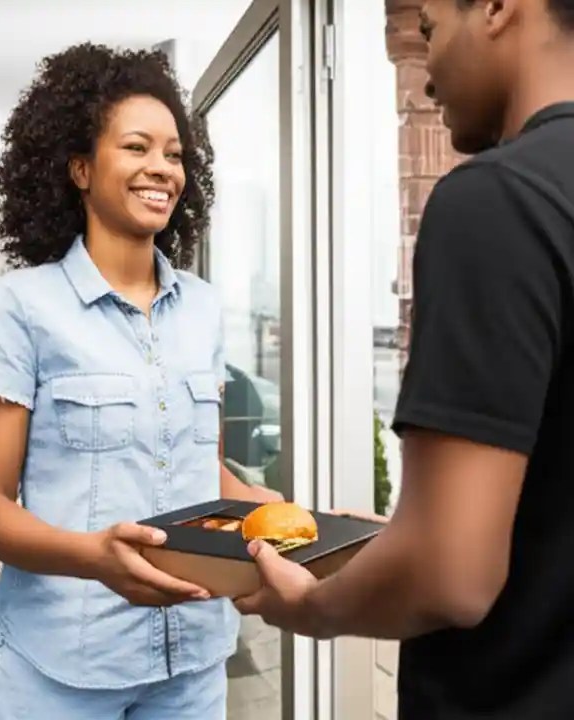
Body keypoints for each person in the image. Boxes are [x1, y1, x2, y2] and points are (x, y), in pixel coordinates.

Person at [234, 0, 574, 717]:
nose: (425, 79)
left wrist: (314, 607)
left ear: (497, 8)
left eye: (428, 31)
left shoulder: (497, 203)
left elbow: (449, 575)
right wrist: (405, 537)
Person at [0, 43, 283, 719]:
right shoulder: (19, 307)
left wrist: (262, 507)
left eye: (174, 153)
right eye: (137, 147)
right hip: (58, 671)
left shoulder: (203, 308)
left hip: (192, 666)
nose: (161, 167)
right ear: (80, 167)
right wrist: (94, 557)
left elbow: (199, 466)